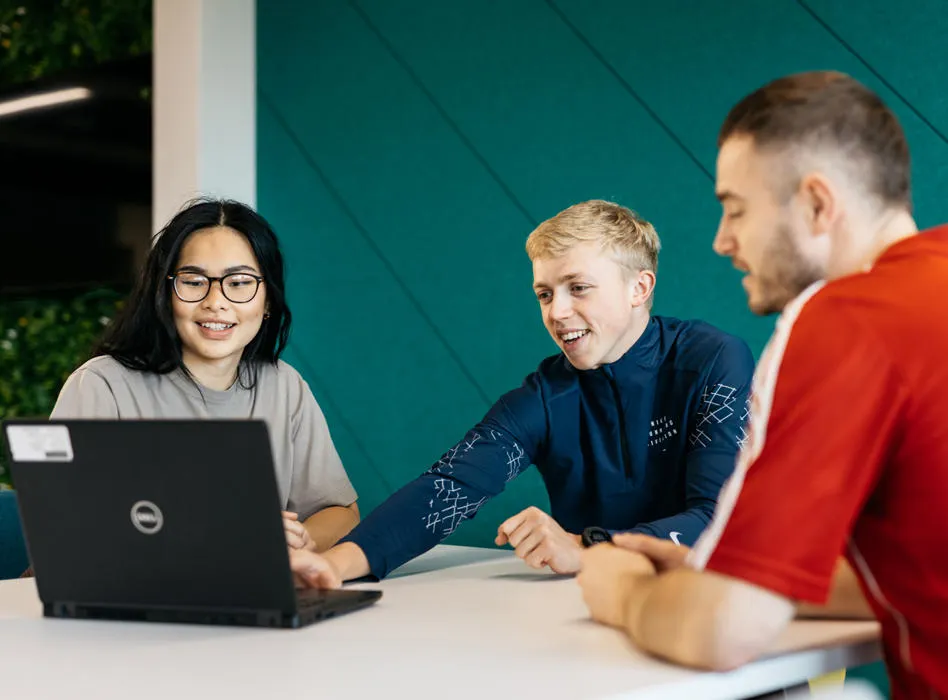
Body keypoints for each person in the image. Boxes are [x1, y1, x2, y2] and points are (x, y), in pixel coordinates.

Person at [576, 71, 948, 699]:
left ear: (817, 205)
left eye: (735, 208)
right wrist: (712, 572)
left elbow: (720, 632)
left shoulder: (843, 319)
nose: (723, 240)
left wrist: (625, 592)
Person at [288, 199, 754, 587]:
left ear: (639, 287)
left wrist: (585, 546)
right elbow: (449, 487)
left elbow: (717, 518)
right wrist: (331, 566)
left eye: (578, 288)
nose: (558, 311)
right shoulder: (546, 394)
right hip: (594, 611)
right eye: (545, 294)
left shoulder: (713, 359)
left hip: (713, 599)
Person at [51, 198, 359, 553]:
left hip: (249, 597)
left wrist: (295, 543)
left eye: (239, 282)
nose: (216, 301)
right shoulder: (101, 386)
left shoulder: (285, 387)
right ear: (165, 294)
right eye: (194, 281)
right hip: (133, 598)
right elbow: (64, 524)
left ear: (268, 300)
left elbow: (340, 512)